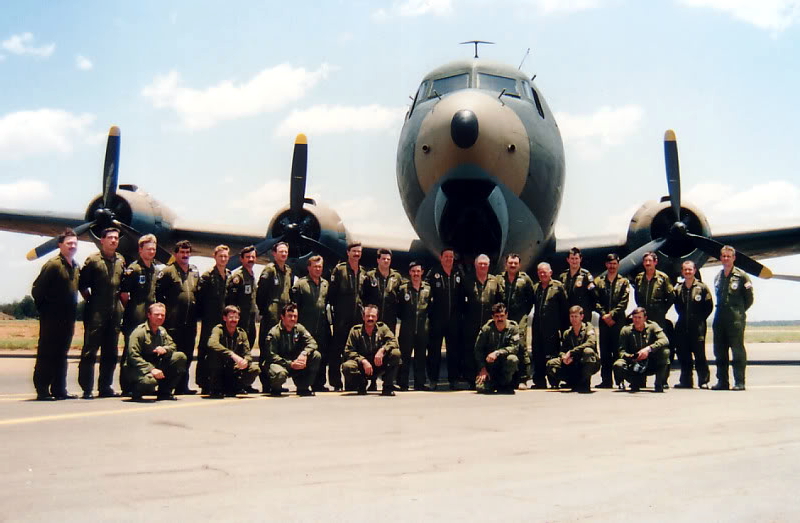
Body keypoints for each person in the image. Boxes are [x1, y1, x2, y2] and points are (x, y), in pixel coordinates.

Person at [31, 228, 80, 401]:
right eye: (69, 243)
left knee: (62, 353)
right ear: (60, 245)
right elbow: (37, 290)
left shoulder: (75, 266)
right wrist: (45, 310)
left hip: (68, 317)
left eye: (75, 243)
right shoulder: (53, 265)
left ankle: (59, 389)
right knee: (47, 352)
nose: (72, 246)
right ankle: (42, 389)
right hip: (52, 316)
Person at [77, 227, 125, 399]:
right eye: (110, 238)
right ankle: (87, 388)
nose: (113, 241)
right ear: (102, 240)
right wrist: (91, 301)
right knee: (90, 350)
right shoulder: (93, 260)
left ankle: (105, 387)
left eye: (116, 238)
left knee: (111, 352)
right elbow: (82, 285)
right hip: (96, 310)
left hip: (115, 311)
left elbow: (122, 287)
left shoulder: (121, 260)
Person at [156, 240, 199, 395]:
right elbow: (158, 295)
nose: (185, 255)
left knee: (187, 355)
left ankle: (182, 386)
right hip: (173, 322)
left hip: (190, 322)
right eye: (182, 252)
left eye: (188, 253)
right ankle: (166, 386)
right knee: (171, 355)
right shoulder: (168, 271)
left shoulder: (194, 272)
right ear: (175, 254)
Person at [118, 234, 158, 395]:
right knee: (130, 352)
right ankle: (126, 387)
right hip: (134, 318)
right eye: (148, 249)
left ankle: (143, 384)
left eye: (154, 249)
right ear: (140, 250)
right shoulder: (133, 269)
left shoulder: (155, 269)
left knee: (147, 351)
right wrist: (134, 309)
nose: (151, 252)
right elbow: (124, 294)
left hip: (150, 320)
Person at [123, 303, 187, 401]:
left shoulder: (162, 331)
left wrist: (165, 349)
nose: (160, 317)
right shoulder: (139, 332)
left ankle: (165, 392)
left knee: (180, 357)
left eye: (163, 315)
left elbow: (173, 346)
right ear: (149, 315)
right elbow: (133, 355)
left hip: (155, 364)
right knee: (149, 382)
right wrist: (151, 369)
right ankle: (135, 391)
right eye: (157, 314)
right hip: (138, 368)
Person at [712, 245, 754, 391]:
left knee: (737, 351)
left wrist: (738, 311)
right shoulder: (718, 276)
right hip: (719, 319)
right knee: (719, 352)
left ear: (734, 258)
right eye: (723, 256)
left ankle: (739, 382)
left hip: (735, 320)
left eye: (728, 256)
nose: (726, 259)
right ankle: (722, 381)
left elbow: (749, 299)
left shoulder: (741, 276)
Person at [328, 242, 369, 391]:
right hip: (342, 318)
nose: (356, 254)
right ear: (348, 253)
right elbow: (331, 294)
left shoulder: (363, 272)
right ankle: (335, 383)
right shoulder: (339, 270)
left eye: (359, 252)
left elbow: (365, 296)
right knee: (337, 351)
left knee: (354, 351)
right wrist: (338, 310)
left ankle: (352, 381)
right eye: (354, 251)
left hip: (357, 319)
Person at [631, 252, 674, 388]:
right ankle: (640, 378)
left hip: (658, 318)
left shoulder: (663, 277)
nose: (648, 263)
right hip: (643, 319)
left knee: (661, 348)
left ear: (655, 262)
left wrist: (662, 311)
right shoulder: (639, 278)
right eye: (645, 261)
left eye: (650, 261)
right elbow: (637, 297)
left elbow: (671, 296)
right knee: (641, 346)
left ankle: (662, 380)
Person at [425, 247, 465, 390]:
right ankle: (433, 380)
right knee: (434, 351)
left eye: (451, 256)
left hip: (454, 319)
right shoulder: (433, 273)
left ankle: (453, 379)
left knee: (454, 351)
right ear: (441, 258)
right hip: (437, 319)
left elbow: (462, 295)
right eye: (446, 256)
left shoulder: (458, 273)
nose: (449, 259)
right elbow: (426, 294)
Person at [261, 303, 321, 397]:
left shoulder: (299, 328)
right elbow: (271, 356)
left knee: (316, 355)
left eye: (295, 316)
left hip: (296, 362)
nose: (293, 319)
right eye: (290, 316)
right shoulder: (274, 333)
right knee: (280, 374)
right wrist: (291, 364)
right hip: (280, 364)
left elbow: (313, 343)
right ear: (282, 317)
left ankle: (303, 387)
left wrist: (304, 354)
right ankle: (275, 387)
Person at [291, 255, 331, 392]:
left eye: (320, 266)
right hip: (306, 327)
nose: (318, 269)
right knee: (307, 354)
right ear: (309, 268)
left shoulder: (325, 284)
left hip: (322, 327)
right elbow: (294, 307)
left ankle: (319, 383)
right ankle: (304, 383)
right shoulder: (301, 285)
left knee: (323, 355)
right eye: (315, 266)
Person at [341, 304, 401, 396]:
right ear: (363, 317)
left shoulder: (383, 328)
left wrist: (382, 350)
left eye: (373, 316)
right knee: (347, 366)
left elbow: (393, 342)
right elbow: (348, 351)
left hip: (379, 364)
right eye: (368, 316)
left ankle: (387, 387)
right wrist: (363, 361)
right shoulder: (355, 331)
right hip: (363, 366)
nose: (370, 318)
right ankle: (361, 385)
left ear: (377, 317)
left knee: (395, 353)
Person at [463, 254, 504, 386]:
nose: (482, 266)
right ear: (475, 265)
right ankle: (470, 379)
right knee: (470, 350)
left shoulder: (494, 281)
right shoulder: (468, 280)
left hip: (488, 323)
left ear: (488, 266)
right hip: (471, 322)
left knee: (487, 349)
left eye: (485, 264)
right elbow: (460, 302)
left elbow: (500, 301)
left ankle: (489, 377)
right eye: (480, 264)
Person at [195, 244, 231, 394]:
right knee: (206, 348)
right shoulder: (207, 275)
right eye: (220, 256)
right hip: (210, 317)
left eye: (225, 256)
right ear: (214, 257)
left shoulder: (229, 275)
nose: (223, 259)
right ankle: (203, 382)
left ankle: (218, 382)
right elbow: (199, 297)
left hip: (223, 319)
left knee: (221, 349)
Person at [672, 260, 713, 388]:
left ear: (695, 271)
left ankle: (704, 381)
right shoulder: (679, 288)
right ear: (682, 272)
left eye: (690, 269)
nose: (688, 272)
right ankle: (686, 381)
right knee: (684, 355)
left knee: (699, 354)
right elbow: (677, 306)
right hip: (682, 325)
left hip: (698, 327)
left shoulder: (702, 287)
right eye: (685, 270)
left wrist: (699, 319)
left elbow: (709, 306)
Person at [496, 253, 534, 385]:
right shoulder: (499, 279)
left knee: (521, 345)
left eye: (515, 263)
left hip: (519, 317)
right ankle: (505, 377)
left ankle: (523, 378)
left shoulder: (525, 279)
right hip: (505, 317)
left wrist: (524, 314)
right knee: (503, 344)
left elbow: (531, 298)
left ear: (519, 265)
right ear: (505, 264)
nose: (512, 265)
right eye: (510, 263)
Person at [206, 305, 260, 398]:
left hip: (234, 368)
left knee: (254, 369)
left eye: (236, 317)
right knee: (213, 356)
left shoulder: (242, 333)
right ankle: (216, 388)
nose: (233, 320)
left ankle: (238, 387)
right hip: (220, 367)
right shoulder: (218, 330)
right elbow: (211, 343)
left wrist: (245, 361)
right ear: (224, 318)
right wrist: (231, 354)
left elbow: (247, 354)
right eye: (230, 317)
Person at [593, 253, 630, 388]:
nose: (612, 266)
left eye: (614, 263)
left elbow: (624, 302)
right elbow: (595, 300)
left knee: (618, 351)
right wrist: (604, 315)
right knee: (605, 351)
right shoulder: (599, 281)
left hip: (618, 321)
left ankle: (620, 380)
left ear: (618, 264)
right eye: (610, 263)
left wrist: (612, 315)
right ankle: (606, 380)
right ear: (606, 265)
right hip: (604, 322)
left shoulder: (623, 282)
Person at [531, 262, 569, 389]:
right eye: (540, 272)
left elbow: (564, 310)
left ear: (550, 273)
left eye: (545, 272)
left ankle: (554, 381)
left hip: (552, 329)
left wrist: (564, 331)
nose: (542, 274)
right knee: (538, 355)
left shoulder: (558, 287)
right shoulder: (536, 288)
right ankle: (539, 381)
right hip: (538, 329)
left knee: (552, 355)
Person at [613, 307, 670, 392]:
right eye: (634, 317)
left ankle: (659, 383)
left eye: (639, 317)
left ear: (645, 318)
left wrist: (649, 349)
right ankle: (622, 382)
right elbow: (621, 351)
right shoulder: (626, 330)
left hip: (650, 362)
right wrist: (632, 357)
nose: (636, 320)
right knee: (618, 364)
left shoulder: (652, 326)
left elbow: (664, 340)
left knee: (665, 352)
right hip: (634, 362)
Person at [396, 261, 433, 391]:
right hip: (407, 327)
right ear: (410, 273)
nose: (416, 274)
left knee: (421, 356)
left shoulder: (428, 289)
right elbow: (398, 309)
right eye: (413, 271)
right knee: (404, 356)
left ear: (422, 272)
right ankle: (403, 382)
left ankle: (419, 383)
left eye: (418, 271)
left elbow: (431, 308)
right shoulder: (403, 289)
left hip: (423, 328)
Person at [546, 305, 599, 392]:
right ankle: (572, 382)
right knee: (551, 363)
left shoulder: (588, 328)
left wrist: (571, 352)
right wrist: (564, 357)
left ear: (581, 317)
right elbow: (562, 351)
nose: (574, 319)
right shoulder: (567, 333)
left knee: (588, 351)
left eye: (576, 316)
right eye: (571, 316)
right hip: (573, 363)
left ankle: (585, 383)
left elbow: (591, 343)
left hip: (586, 361)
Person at [474, 303, 521, 395]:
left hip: (505, 365)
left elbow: (514, 348)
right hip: (490, 366)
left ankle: (506, 383)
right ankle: (493, 383)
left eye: (502, 316)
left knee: (513, 359)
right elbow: (478, 350)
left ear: (506, 315)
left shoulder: (513, 327)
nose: (500, 319)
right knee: (481, 388)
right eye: (497, 316)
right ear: (492, 316)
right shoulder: (487, 328)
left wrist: (497, 352)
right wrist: (482, 369)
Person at [256, 242, 293, 351]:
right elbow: (261, 292)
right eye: (281, 251)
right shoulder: (270, 270)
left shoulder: (289, 271)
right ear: (274, 254)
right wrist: (265, 309)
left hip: (284, 312)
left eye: (286, 251)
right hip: (272, 311)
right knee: (268, 339)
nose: (284, 254)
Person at [363, 248, 403, 333]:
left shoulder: (396, 277)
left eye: (388, 259)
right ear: (378, 260)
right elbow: (363, 296)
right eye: (383, 259)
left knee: (389, 343)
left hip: (390, 319)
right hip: (373, 318)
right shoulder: (370, 276)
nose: (386, 261)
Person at [226, 245, 257, 347]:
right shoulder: (238, 277)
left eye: (253, 257)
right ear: (241, 259)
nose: (251, 259)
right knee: (238, 344)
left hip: (250, 317)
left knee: (250, 339)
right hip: (240, 318)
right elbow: (231, 300)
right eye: (248, 257)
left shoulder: (252, 275)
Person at [558, 247, 596, 324]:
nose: (574, 261)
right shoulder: (563, 276)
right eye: (572, 258)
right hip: (566, 316)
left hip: (581, 317)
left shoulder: (586, 276)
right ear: (568, 260)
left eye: (576, 258)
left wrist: (586, 312)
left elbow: (594, 296)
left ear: (580, 259)